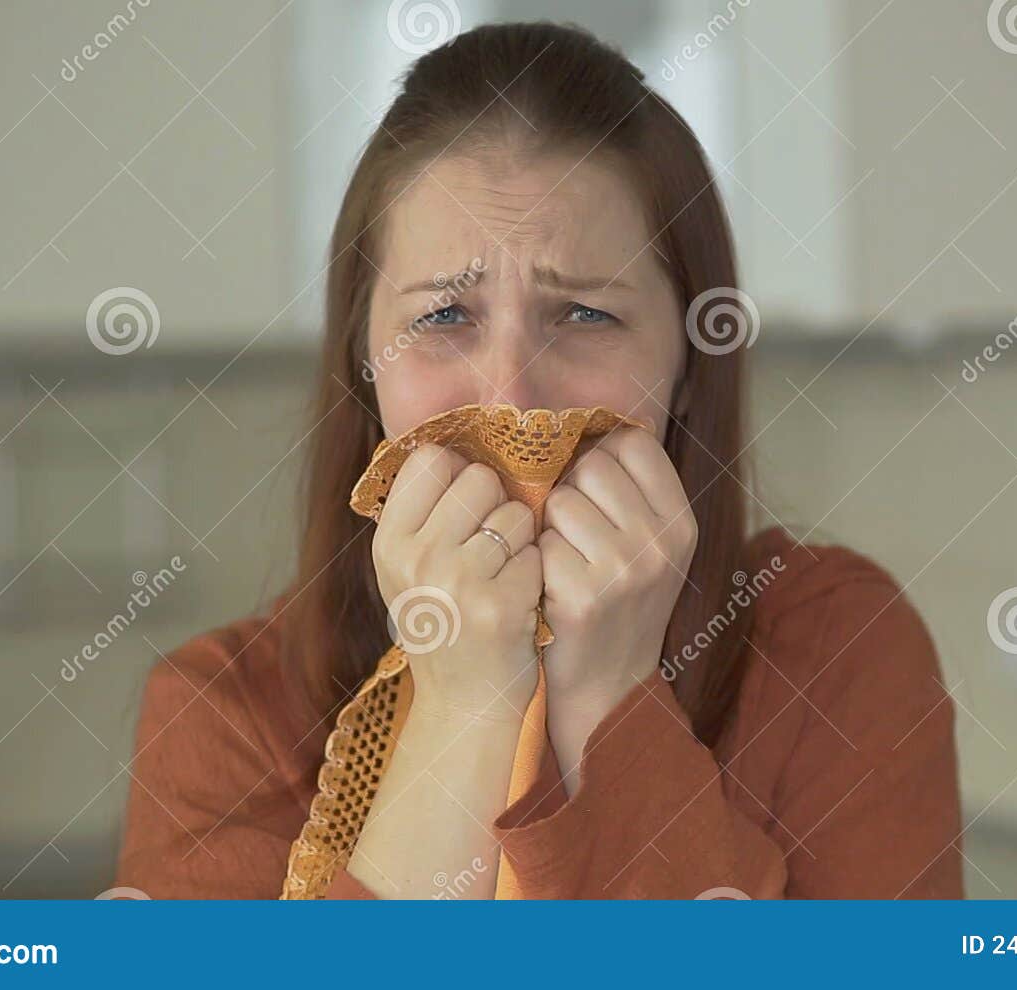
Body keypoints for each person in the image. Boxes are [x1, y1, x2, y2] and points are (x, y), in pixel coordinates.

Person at [113, 20, 963, 900]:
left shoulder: (835, 651)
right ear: (363, 369)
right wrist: (463, 701)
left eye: (586, 316)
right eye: (445, 317)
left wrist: (609, 700)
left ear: (687, 362)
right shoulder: (219, 718)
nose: (513, 401)